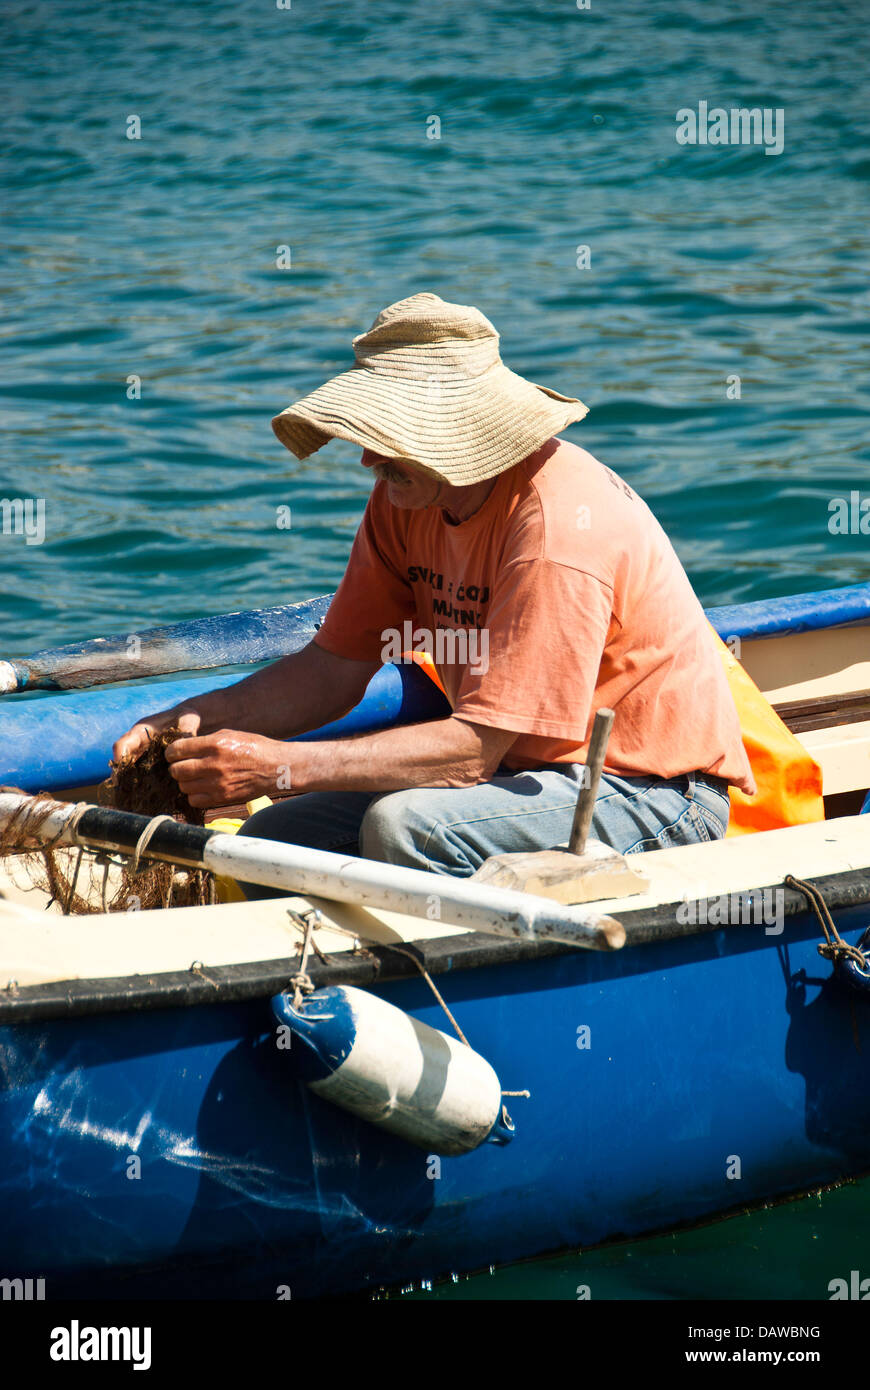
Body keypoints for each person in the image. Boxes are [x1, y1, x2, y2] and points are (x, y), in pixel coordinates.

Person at [114, 292, 755, 891]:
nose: (367, 460)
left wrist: (276, 766)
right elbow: (334, 667)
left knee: (403, 828)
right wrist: (195, 716)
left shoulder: (557, 528)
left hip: (649, 791)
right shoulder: (405, 500)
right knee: (269, 844)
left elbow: (476, 750)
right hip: (522, 775)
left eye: (385, 440)